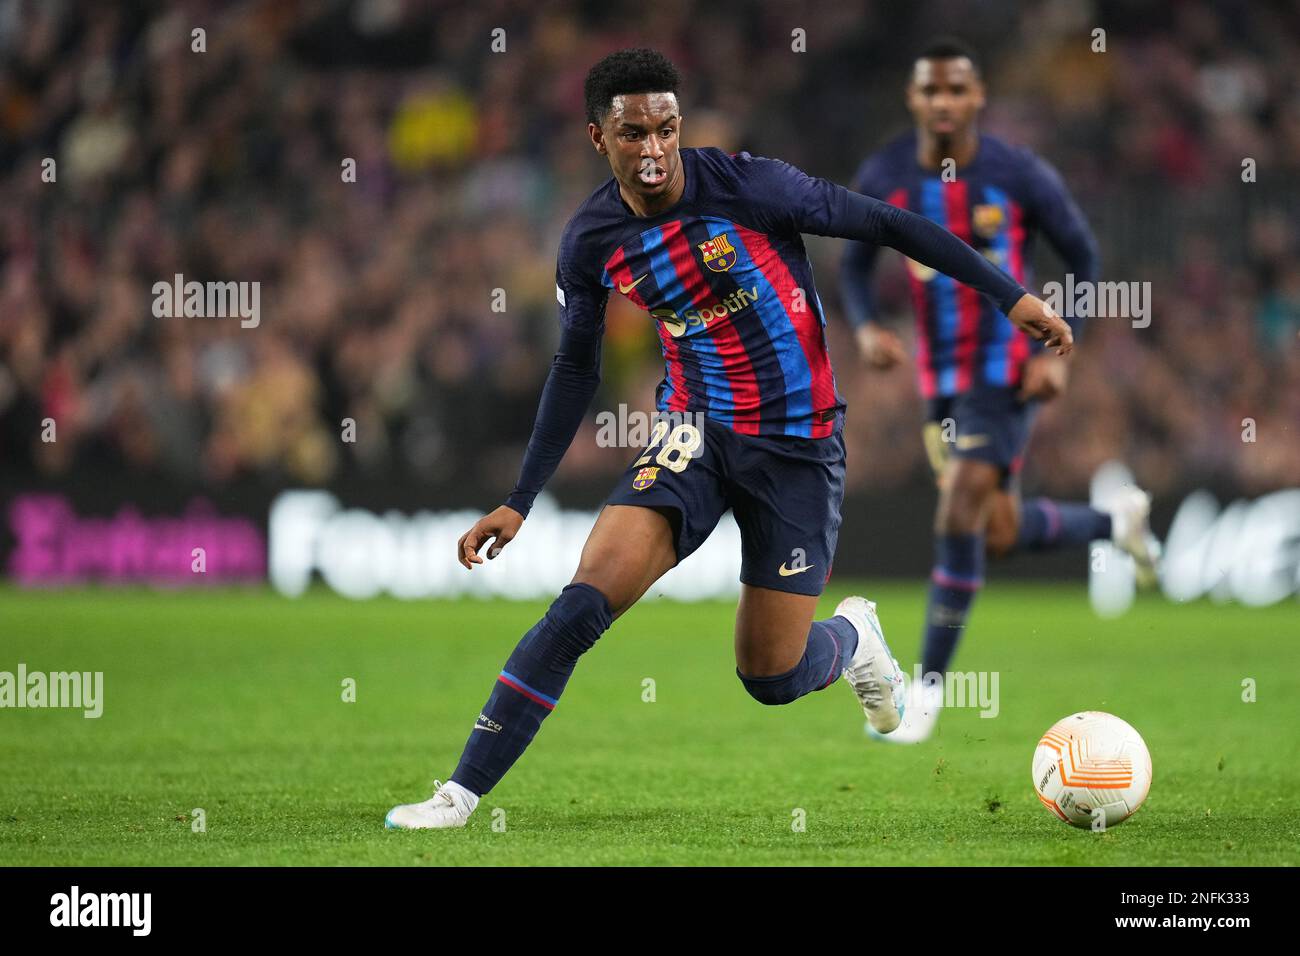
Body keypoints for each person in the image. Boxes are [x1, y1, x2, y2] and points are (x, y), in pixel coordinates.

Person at [386, 47, 1071, 828]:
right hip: (694, 437)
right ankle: (460, 794)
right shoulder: (592, 240)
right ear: (597, 139)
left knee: (770, 676)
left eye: (666, 129)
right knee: (579, 607)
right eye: (633, 133)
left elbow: (887, 223)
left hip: (798, 448)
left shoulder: (752, 187)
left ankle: (854, 639)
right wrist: (520, 499)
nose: (652, 150)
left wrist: (1009, 296)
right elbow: (575, 370)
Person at [839, 38, 1159, 744]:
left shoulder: (1018, 173)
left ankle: (923, 692)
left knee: (957, 516)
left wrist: (1060, 349)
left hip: (1004, 370)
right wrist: (863, 328)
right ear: (914, 100)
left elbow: (1083, 255)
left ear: (978, 97)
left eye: (957, 90)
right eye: (932, 92)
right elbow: (855, 267)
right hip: (939, 383)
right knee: (996, 531)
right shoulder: (886, 172)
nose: (944, 104)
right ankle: (1117, 524)